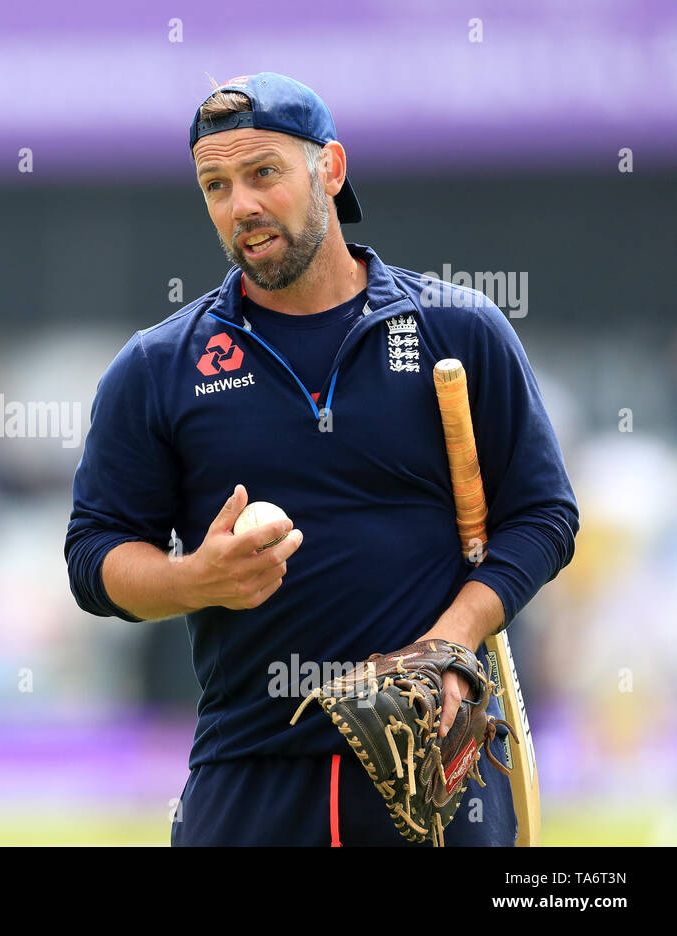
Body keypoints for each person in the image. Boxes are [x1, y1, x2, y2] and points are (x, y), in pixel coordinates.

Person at [65, 73, 578, 845]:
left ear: (330, 170)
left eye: (263, 172)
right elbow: (92, 556)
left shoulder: (458, 330)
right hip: (248, 774)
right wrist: (189, 580)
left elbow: (543, 515)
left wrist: (450, 642)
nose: (241, 205)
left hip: (436, 771)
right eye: (216, 184)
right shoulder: (156, 367)